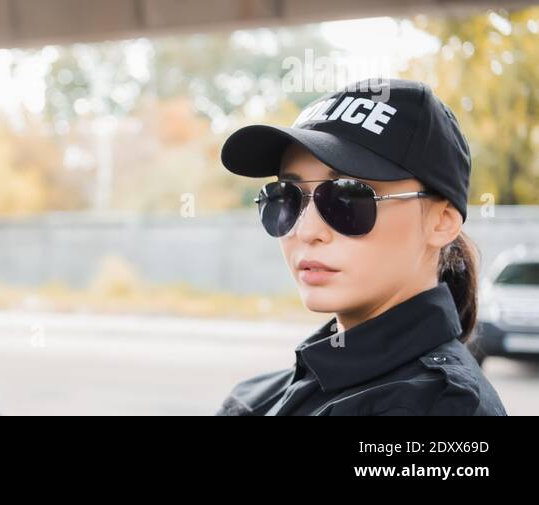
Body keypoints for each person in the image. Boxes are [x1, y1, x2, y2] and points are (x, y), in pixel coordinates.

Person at [215, 78, 506, 416]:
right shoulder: (253, 397)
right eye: (285, 197)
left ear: (441, 222)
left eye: (346, 196)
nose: (306, 230)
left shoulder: (443, 407)